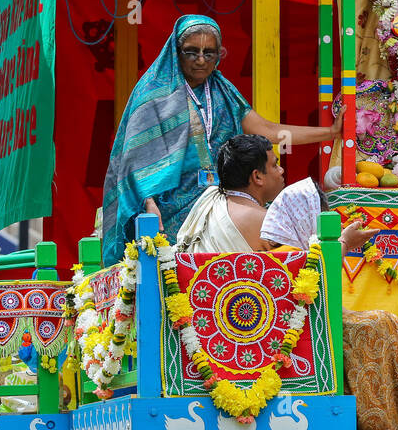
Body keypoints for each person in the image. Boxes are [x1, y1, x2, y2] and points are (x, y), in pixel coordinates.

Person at [101, 14, 339, 264]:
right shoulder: (154, 92)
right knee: (169, 281)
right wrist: (148, 203)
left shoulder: (222, 90)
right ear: (177, 51)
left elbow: (267, 129)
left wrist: (330, 133)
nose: (201, 60)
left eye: (210, 53)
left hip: (218, 201)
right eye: (192, 52)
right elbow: (135, 159)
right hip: (167, 208)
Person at [259, 171, 398, 430]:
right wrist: (344, 243)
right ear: (305, 219)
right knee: (376, 324)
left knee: (385, 319)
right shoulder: (284, 255)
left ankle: (397, 416)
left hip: (310, 329)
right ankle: (382, 421)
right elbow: (313, 287)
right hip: (299, 344)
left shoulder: (293, 251)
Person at [175, 134, 284, 252]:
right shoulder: (266, 222)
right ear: (257, 176)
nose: (281, 170)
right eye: (274, 165)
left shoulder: (214, 201)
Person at [260, 169, 379, 254]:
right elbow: (324, 272)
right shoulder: (289, 254)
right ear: (303, 220)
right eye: (322, 220)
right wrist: (346, 242)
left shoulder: (285, 252)